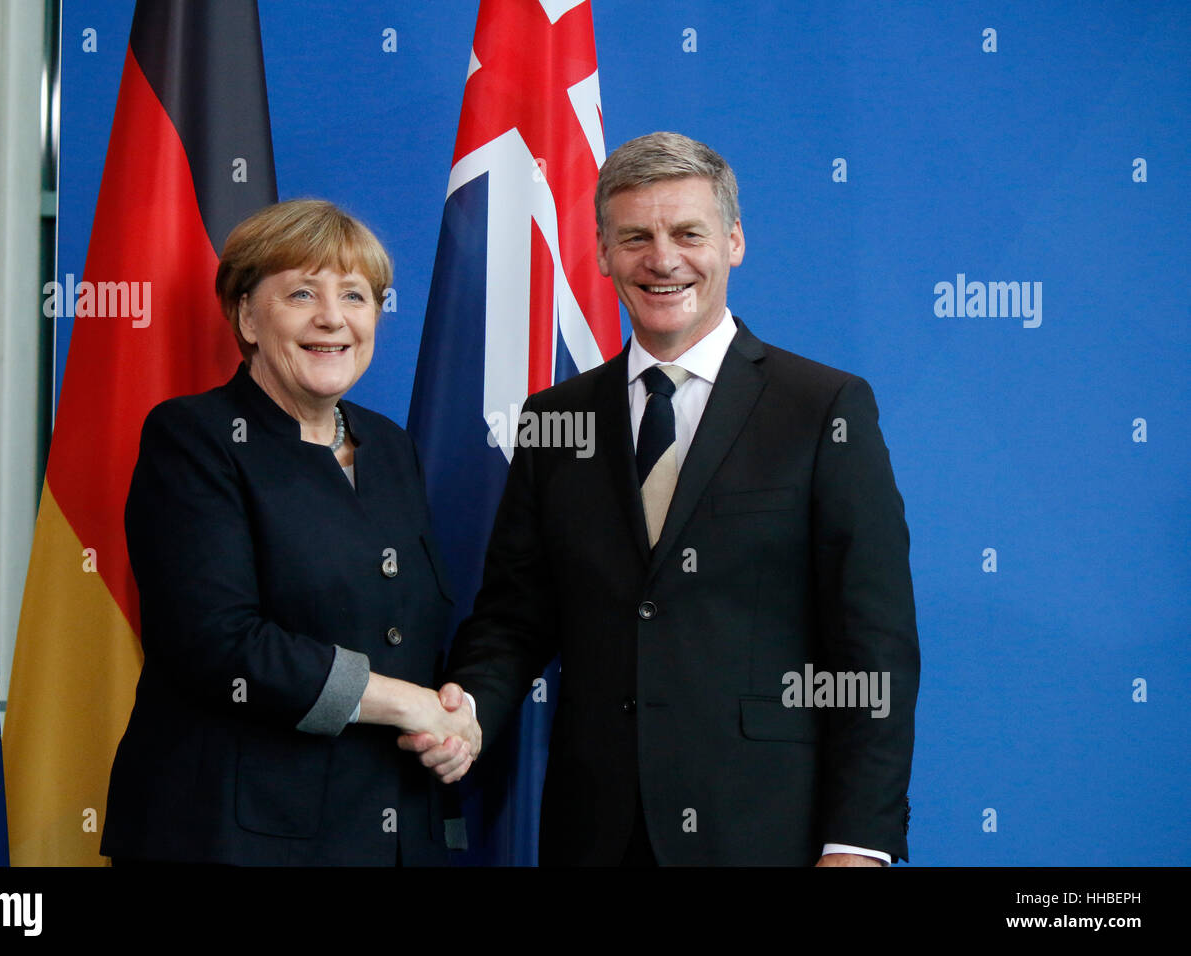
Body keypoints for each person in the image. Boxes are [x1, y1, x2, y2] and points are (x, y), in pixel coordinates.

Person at [406, 132, 919, 865]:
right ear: (603, 253)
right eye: (636, 236)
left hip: (767, 832)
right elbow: (515, 618)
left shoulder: (824, 407)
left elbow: (874, 647)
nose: (663, 259)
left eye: (688, 233)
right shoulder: (557, 418)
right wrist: (469, 713)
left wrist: (857, 842)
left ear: (734, 241)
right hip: (594, 831)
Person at [101, 199, 480, 866]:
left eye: (356, 296)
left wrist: (452, 722)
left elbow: (405, 629)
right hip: (237, 837)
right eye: (302, 292)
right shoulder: (194, 439)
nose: (332, 317)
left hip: (392, 832)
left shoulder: (391, 448)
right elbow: (216, 642)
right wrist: (407, 703)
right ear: (247, 316)